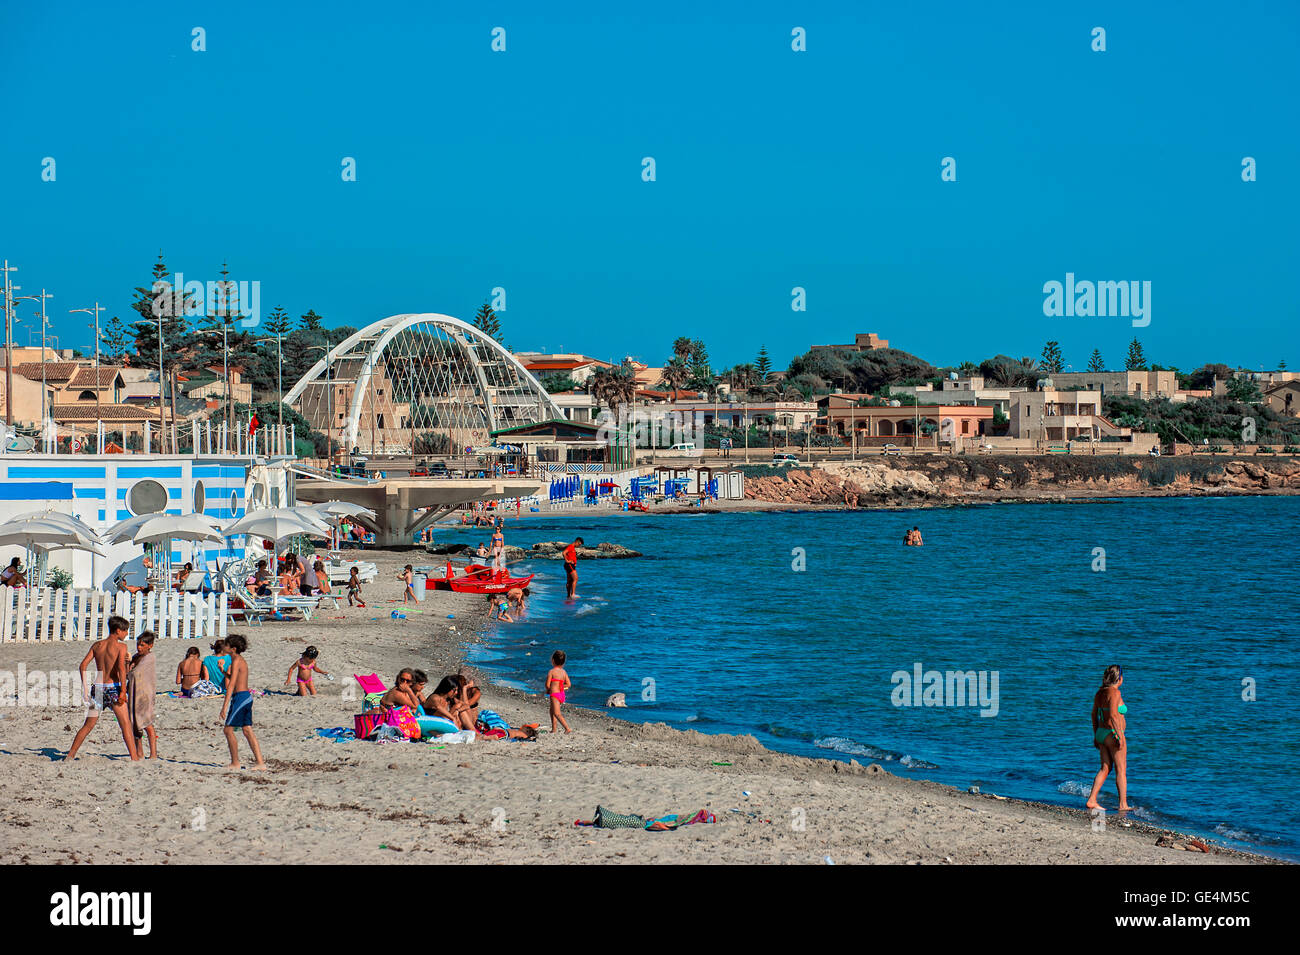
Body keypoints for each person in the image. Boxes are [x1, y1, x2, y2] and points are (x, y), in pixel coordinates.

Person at [65, 615, 139, 761]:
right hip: (113, 688)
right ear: (118, 630)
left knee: (87, 726)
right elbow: (121, 670)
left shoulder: (97, 645)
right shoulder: (121, 647)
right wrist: (123, 691)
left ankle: (70, 756)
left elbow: (83, 666)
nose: (126, 634)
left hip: (98, 688)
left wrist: (85, 689)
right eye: (125, 631)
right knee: (125, 725)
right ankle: (134, 758)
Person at [1086, 664, 1131, 812]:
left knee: (1105, 768)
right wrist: (1120, 736)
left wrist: (1095, 735)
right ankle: (1123, 804)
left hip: (1101, 732)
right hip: (1112, 733)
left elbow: (1094, 715)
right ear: (1120, 678)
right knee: (1121, 769)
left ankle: (1092, 799)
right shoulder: (1115, 693)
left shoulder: (1099, 693)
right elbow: (1112, 715)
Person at [219, 634, 265, 770]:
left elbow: (231, 685)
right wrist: (223, 672)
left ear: (232, 649)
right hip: (245, 697)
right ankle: (260, 763)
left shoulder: (237, 660)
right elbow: (235, 678)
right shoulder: (237, 659)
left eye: (226, 645)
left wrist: (224, 706)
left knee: (228, 730)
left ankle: (235, 762)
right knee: (247, 730)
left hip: (240, 698)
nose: (223, 646)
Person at [127, 631, 158, 759]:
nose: (139, 647)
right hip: (134, 693)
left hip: (145, 694)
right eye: (138, 644)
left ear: (150, 645)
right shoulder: (136, 657)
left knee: (146, 723)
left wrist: (130, 667)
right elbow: (127, 673)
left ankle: (153, 753)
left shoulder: (150, 658)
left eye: (142, 645)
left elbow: (135, 673)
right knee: (134, 724)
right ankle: (139, 752)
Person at [546, 650, 572, 734]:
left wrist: (548, 690)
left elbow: (547, 684)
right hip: (561, 694)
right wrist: (561, 686)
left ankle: (567, 728)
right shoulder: (564, 672)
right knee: (552, 711)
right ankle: (554, 729)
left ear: (553, 660)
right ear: (563, 662)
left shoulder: (552, 671)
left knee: (557, 713)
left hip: (554, 694)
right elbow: (568, 684)